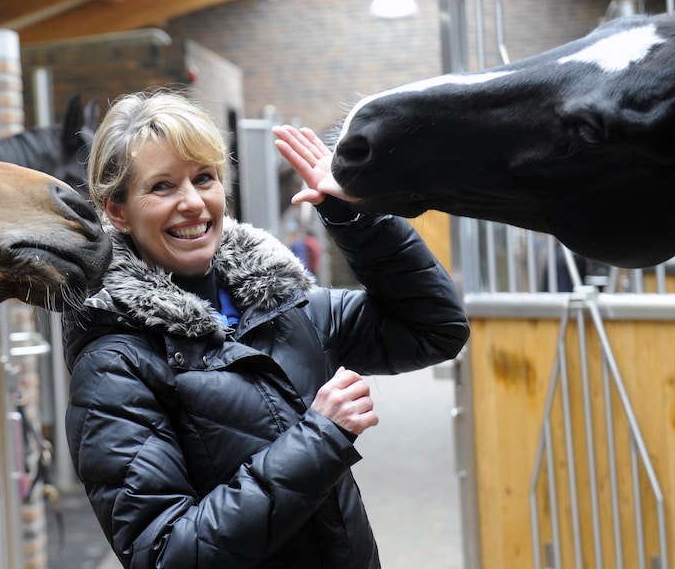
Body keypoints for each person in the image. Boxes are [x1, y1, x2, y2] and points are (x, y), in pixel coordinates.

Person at [62, 91, 469, 568]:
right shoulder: (114, 366)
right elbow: (165, 553)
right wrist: (321, 438)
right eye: (162, 187)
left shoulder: (282, 304)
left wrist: (356, 218)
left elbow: (434, 327)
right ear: (116, 211)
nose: (192, 202)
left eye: (203, 178)